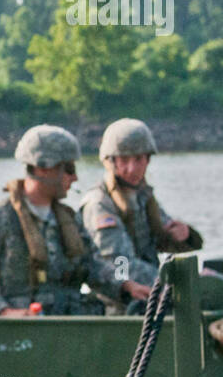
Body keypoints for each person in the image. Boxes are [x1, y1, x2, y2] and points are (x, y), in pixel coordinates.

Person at [0, 124, 150, 316]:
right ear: (42, 168)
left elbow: (92, 265)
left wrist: (126, 285)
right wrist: (4, 313)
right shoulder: (0, 218)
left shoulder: (68, 219)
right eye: (68, 168)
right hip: (24, 328)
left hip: (73, 323)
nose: (74, 177)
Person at [80, 118, 201, 312]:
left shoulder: (143, 196)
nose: (132, 169)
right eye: (124, 160)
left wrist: (183, 235)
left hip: (152, 296)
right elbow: (120, 265)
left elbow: (164, 236)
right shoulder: (99, 203)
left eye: (139, 159)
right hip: (120, 305)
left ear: (148, 159)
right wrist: (183, 281)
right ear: (110, 162)